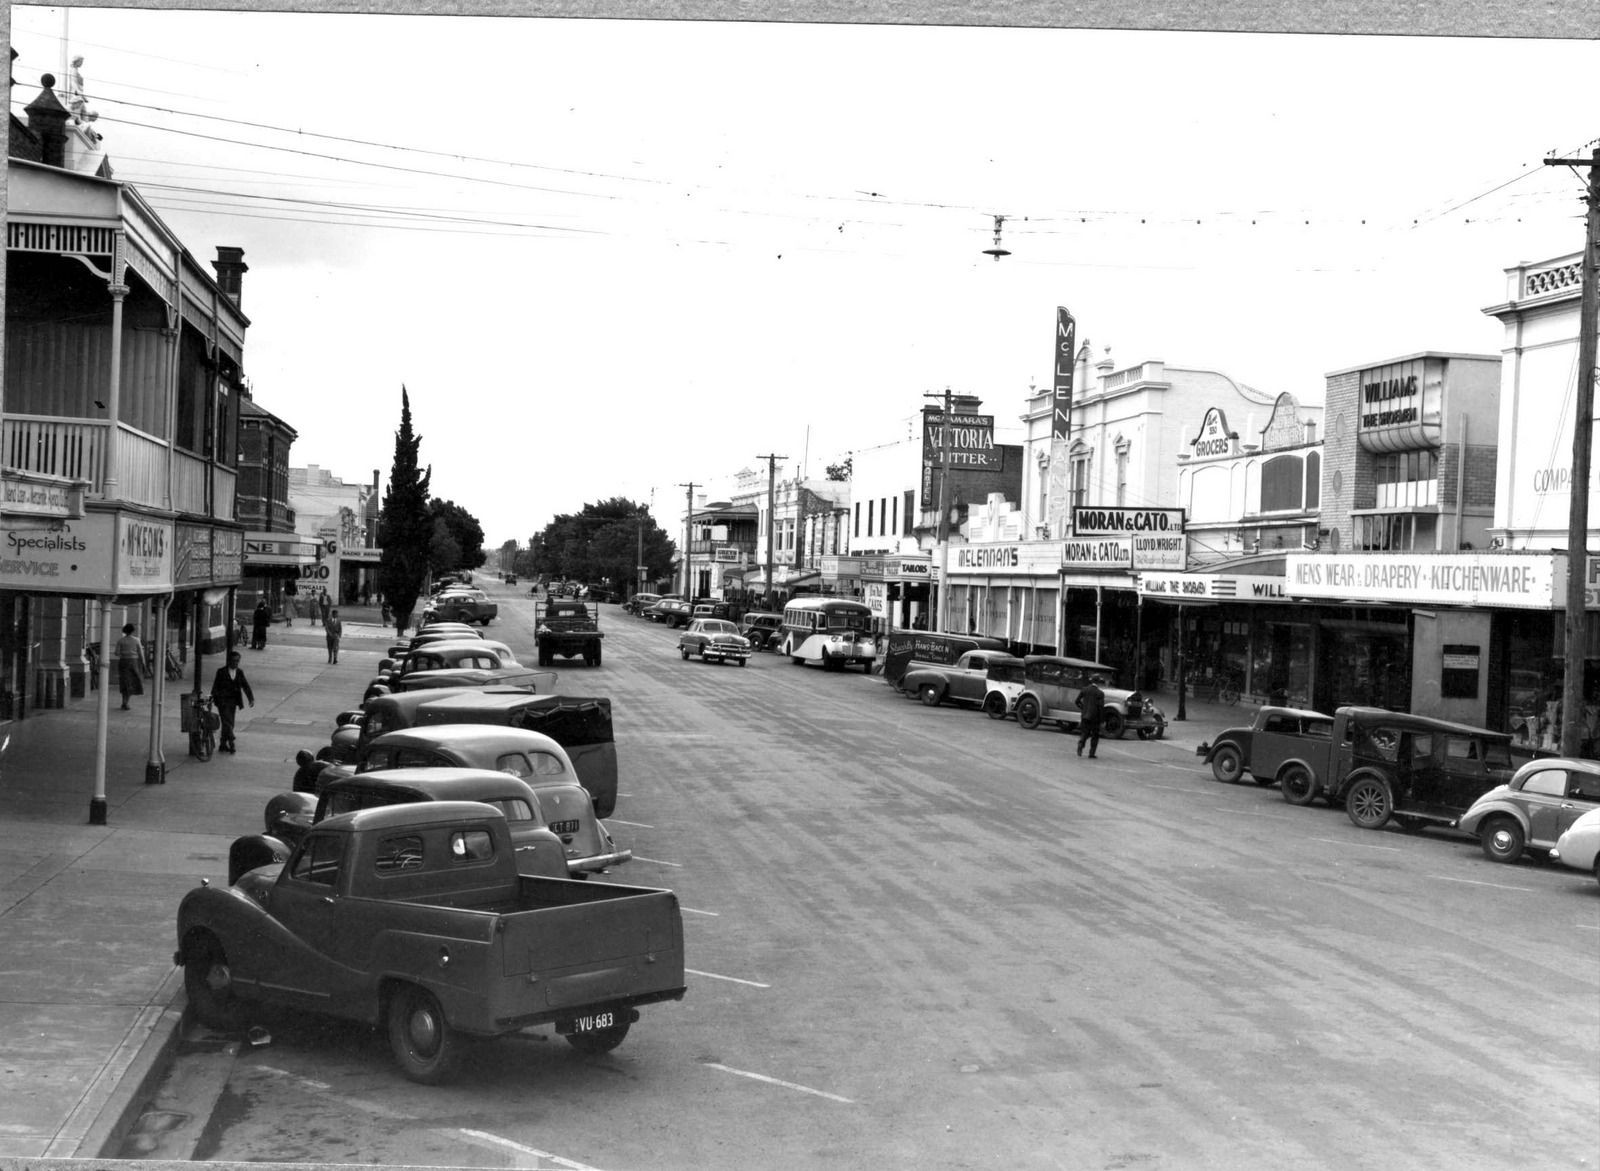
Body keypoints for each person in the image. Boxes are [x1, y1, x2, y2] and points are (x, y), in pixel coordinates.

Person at [210, 651, 255, 754]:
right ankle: (231, 742)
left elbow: (245, 685)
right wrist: (213, 698)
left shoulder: (239, 672)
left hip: (233, 702)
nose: (236, 663)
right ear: (229, 661)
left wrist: (250, 698)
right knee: (227, 722)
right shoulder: (221, 672)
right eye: (234, 661)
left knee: (230, 723)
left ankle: (222, 744)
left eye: (238, 661)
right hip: (223, 701)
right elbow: (215, 686)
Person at [115, 622, 146, 711]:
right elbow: (140, 653)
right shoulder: (136, 640)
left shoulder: (121, 641)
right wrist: (143, 663)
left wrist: (124, 653)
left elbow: (116, 653)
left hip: (123, 662)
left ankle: (124, 701)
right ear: (133, 631)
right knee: (132, 681)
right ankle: (126, 702)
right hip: (133, 662)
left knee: (124, 681)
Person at [1076, 674, 1107, 759]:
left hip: (1085, 716)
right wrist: (1102, 720)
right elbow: (1101, 707)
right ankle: (1091, 753)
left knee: (1085, 732)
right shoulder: (1100, 693)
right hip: (1095, 717)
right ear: (1098, 682)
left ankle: (1081, 744)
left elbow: (1077, 701)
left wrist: (1083, 708)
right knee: (1095, 735)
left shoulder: (1084, 689)